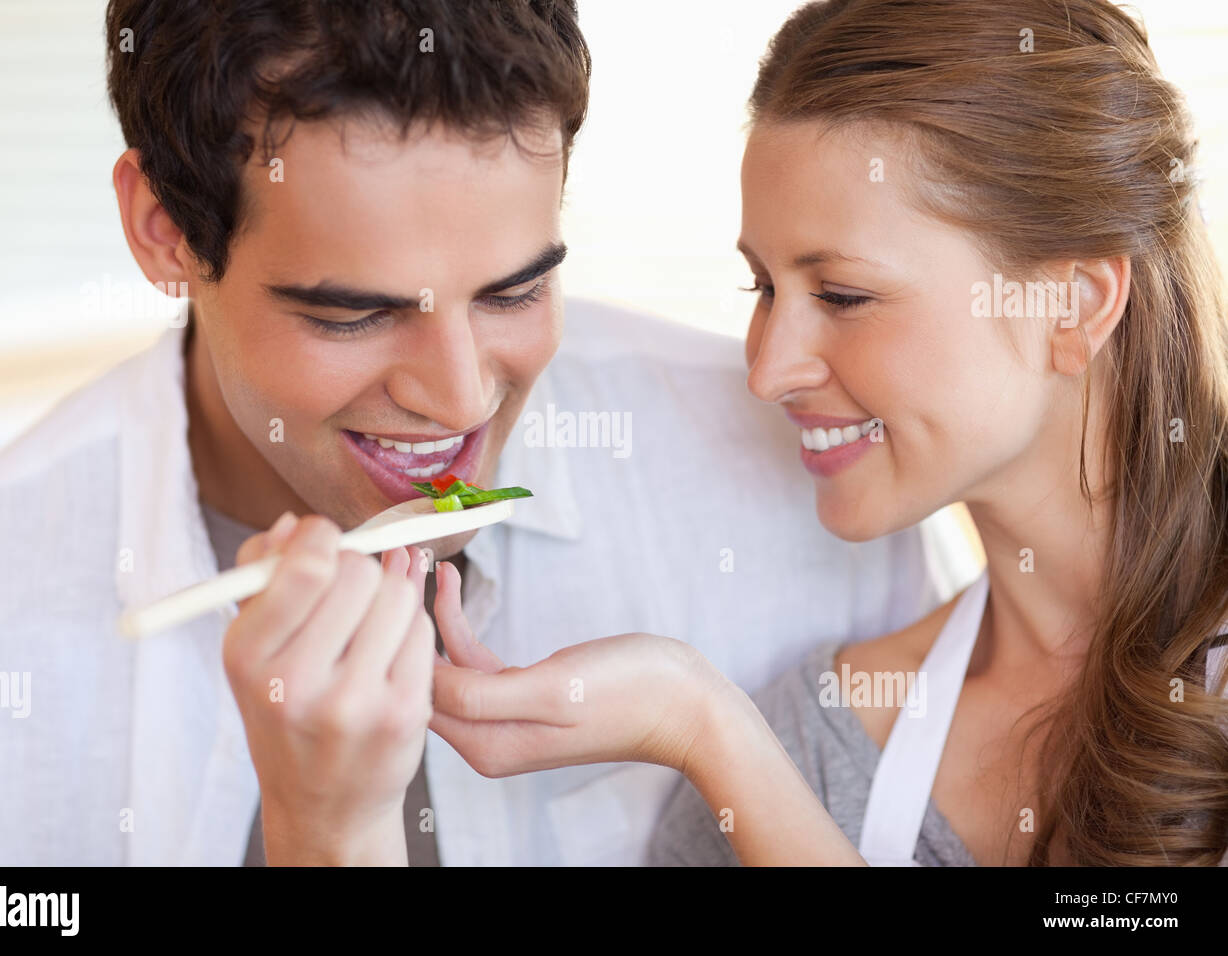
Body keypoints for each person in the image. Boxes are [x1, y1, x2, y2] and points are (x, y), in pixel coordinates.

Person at [0, 0, 976, 866]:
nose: (462, 398)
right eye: (355, 313)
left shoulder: (801, 480)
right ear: (162, 230)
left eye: (514, 292)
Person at [426, 0, 1228, 866]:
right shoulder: (807, 742)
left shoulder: (752, 764)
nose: (768, 372)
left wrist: (710, 736)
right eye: (762, 289)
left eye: (843, 296)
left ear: (1072, 306)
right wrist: (701, 726)